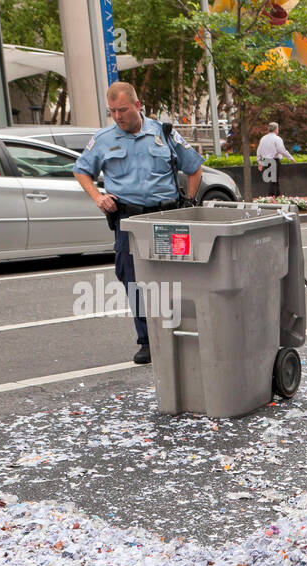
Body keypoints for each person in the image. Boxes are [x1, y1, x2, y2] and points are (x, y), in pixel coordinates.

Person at [73, 82, 204, 365]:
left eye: (122, 109)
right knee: (134, 279)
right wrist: (98, 197)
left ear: (137, 105)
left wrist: (190, 202)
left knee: (176, 277)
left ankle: (179, 332)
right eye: (112, 112)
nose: (118, 116)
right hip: (129, 219)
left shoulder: (164, 133)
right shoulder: (104, 138)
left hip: (165, 217)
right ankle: (147, 340)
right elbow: (81, 170)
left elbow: (193, 167)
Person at [256, 121, 294, 197]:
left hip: (265, 160)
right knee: (273, 181)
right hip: (273, 160)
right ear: (276, 129)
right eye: (278, 128)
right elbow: (282, 150)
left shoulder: (263, 138)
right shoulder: (277, 138)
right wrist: (290, 158)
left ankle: (278, 196)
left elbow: (259, 151)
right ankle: (272, 197)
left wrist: (260, 162)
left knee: (274, 180)